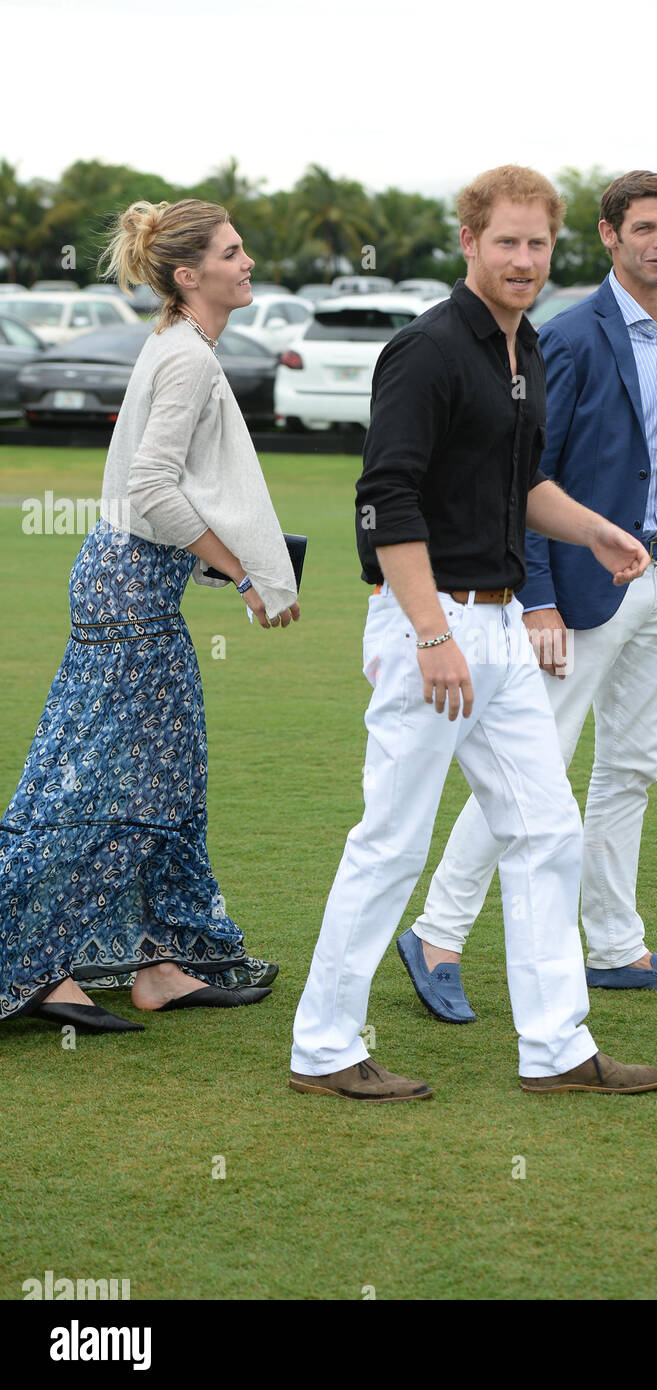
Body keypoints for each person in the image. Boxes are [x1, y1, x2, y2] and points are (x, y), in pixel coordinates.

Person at [290, 166, 657, 1102]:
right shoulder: (424, 351)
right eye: (506, 241)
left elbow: (521, 486)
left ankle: (557, 1050)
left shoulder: (527, 348)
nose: (523, 259)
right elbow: (387, 499)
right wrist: (430, 632)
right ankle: (324, 1048)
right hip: (435, 625)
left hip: (501, 626)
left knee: (546, 832)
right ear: (470, 242)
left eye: (538, 244)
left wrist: (593, 529)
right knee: (391, 843)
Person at [395, 170, 657, 1026]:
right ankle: (438, 935)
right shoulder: (569, 336)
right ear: (607, 235)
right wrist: (541, 599)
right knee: (534, 771)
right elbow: (527, 474)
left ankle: (615, 944)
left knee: (630, 767)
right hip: (581, 592)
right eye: (643, 228)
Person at [0, 198, 300, 1034]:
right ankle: (38, 968)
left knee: (159, 776)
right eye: (233, 254)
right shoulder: (188, 359)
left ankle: (160, 964)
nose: (247, 266)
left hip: (127, 583)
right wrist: (242, 572)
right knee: (101, 784)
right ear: (187, 274)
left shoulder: (177, 345)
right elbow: (153, 489)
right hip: (130, 592)